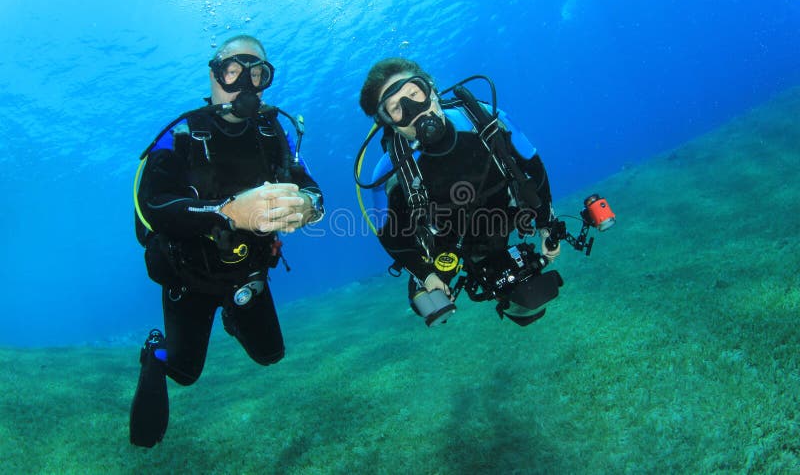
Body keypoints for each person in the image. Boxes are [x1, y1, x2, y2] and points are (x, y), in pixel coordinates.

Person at [130, 34, 324, 447]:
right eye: (232, 73)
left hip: (246, 273)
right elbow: (150, 207)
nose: (245, 87)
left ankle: (234, 318)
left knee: (270, 355)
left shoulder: (275, 134)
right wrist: (228, 211)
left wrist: (308, 205)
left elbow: (313, 189)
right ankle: (154, 351)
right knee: (184, 373)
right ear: (214, 76)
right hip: (189, 277)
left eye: (257, 74)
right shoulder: (181, 133)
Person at [356, 58, 562, 327]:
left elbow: (533, 167)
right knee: (428, 307)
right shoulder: (389, 173)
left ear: (432, 88)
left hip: (507, 220)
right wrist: (426, 274)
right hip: (449, 248)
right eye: (396, 108)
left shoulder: (485, 119)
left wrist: (546, 223)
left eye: (414, 93)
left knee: (532, 297)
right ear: (388, 122)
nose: (413, 110)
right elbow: (391, 236)